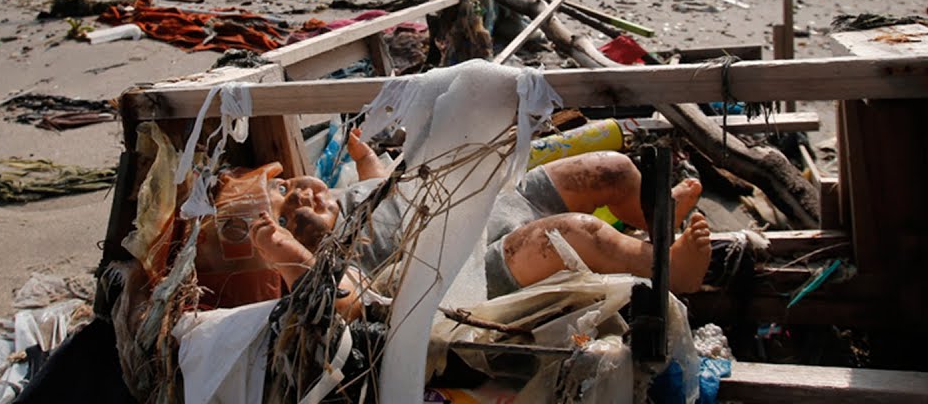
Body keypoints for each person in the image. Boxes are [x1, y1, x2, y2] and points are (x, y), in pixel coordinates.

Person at [248, 129, 711, 307]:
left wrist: (368, 159)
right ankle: (669, 268)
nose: (300, 197)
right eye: (291, 215)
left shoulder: (348, 194)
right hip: (483, 265)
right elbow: (346, 303)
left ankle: (655, 222)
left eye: (288, 187)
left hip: (500, 205)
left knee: (611, 168)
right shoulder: (338, 257)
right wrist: (288, 255)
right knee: (575, 233)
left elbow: (383, 182)